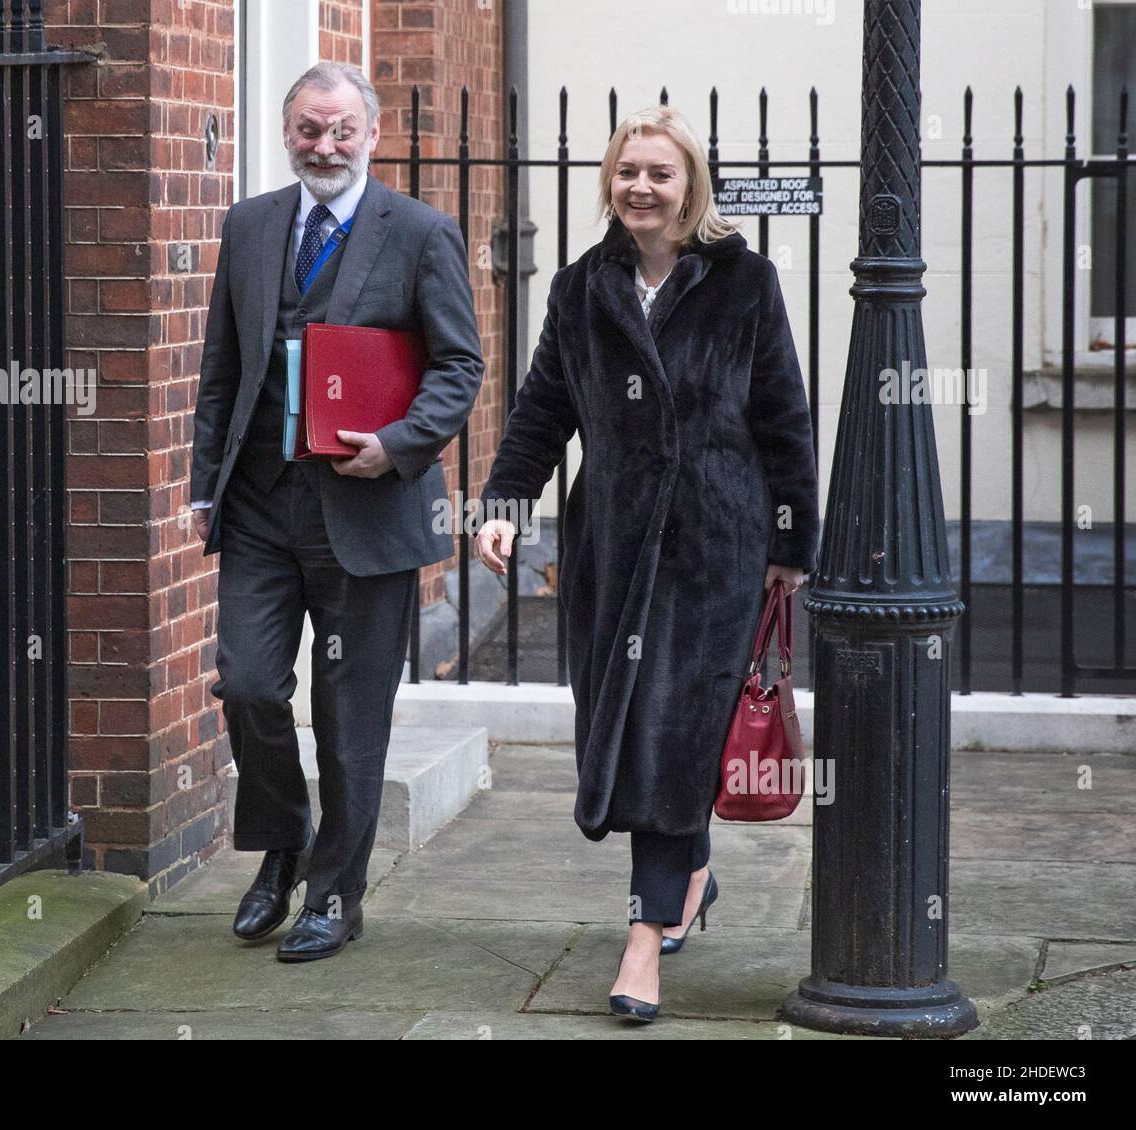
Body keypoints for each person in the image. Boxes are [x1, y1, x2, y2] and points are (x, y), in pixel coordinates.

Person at [475, 106, 819, 1021]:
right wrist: (506, 506)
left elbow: (784, 415)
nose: (641, 188)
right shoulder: (584, 287)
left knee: (673, 729)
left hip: (716, 544)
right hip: (614, 544)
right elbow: (543, 407)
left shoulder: (745, 283)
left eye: (659, 174)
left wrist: (790, 544)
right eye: (627, 172)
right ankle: (688, 879)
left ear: (689, 185)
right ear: (610, 182)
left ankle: (642, 943)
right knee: (633, 728)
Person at [189, 62, 484, 962]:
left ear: (371, 133)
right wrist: (204, 484)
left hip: (365, 511)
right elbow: (221, 366)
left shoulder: (422, 232)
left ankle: (335, 895)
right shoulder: (249, 225)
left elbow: (460, 367)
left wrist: (396, 445)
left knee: (352, 717)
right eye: (310, 129)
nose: (325, 146)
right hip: (257, 508)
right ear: (288, 132)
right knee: (246, 684)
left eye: (341, 130)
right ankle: (282, 847)